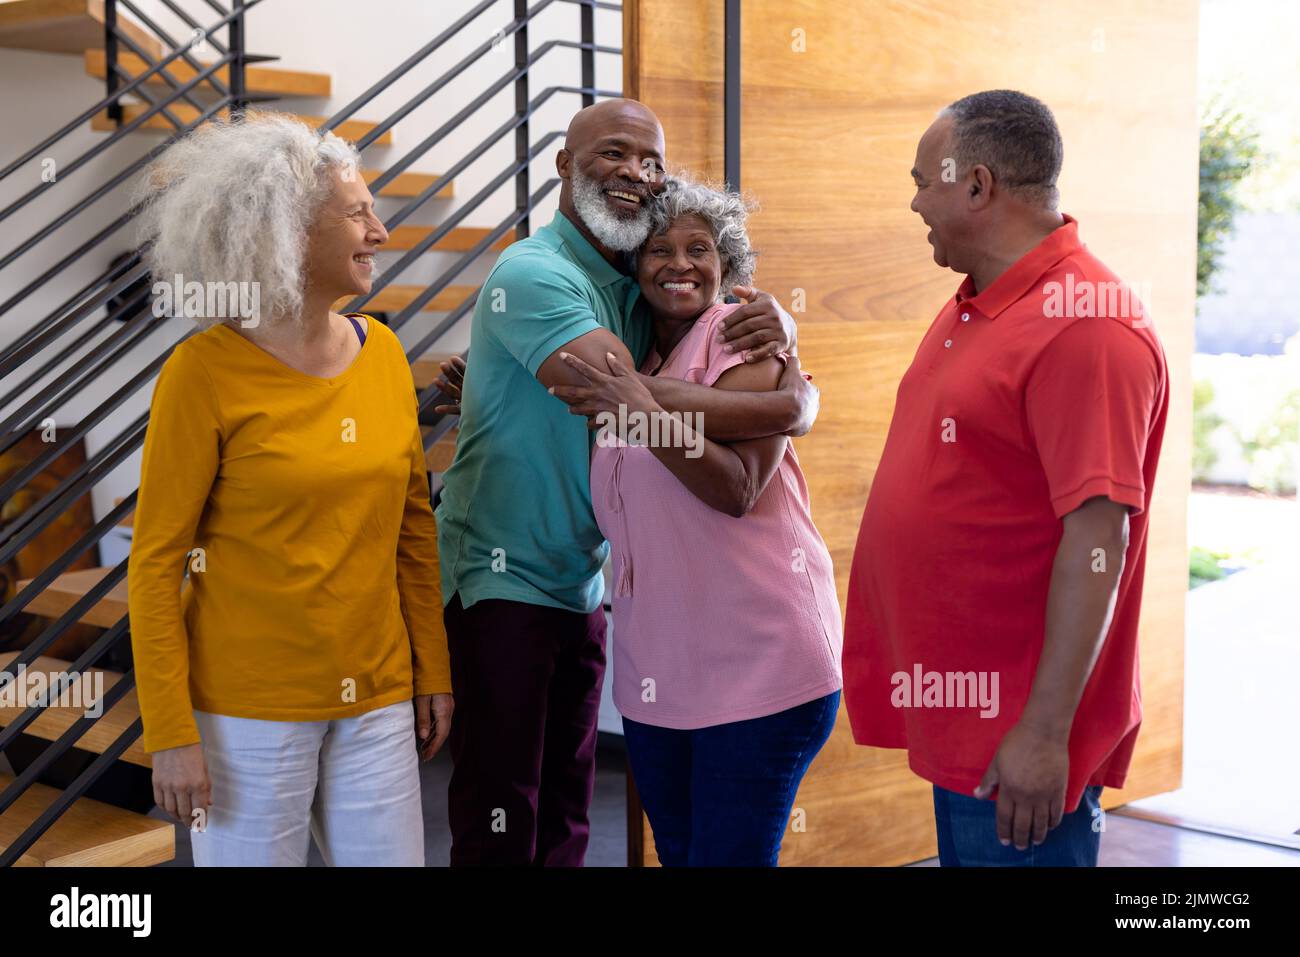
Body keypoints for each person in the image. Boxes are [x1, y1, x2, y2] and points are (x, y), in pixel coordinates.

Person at [434, 98, 819, 866]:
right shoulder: (534, 271)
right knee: (502, 815)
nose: (634, 174)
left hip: (581, 582)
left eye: (651, 163)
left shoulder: (633, 287)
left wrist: (789, 353)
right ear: (563, 166)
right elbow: (610, 392)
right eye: (613, 154)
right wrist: (794, 402)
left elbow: (652, 390)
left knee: (570, 817)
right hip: (501, 576)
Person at [841, 90, 1169, 866]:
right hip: (966, 718)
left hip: (1017, 741)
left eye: (924, 181)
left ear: (978, 185)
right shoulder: (981, 301)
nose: (915, 201)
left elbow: (1098, 539)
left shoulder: (1087, 325)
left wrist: (1044, 732)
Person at [128, 111, 452, 866]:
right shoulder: (202, 373)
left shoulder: (385, 354)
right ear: (290, 230)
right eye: (357, 212)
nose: (381, 231)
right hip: (246, 714)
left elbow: (413, 532)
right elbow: (153, 566)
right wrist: (172, 732)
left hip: (375, 697)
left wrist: (430, 671)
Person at [550, 176, 841, 865]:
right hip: (658, 678)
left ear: (726, 264)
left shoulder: (742, 338)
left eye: (699, 248)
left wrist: (638, 409)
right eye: (658, 249)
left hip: (761, 666)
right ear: (632, 265)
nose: (679, 263)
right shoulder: (628, 350)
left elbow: (737, 488)